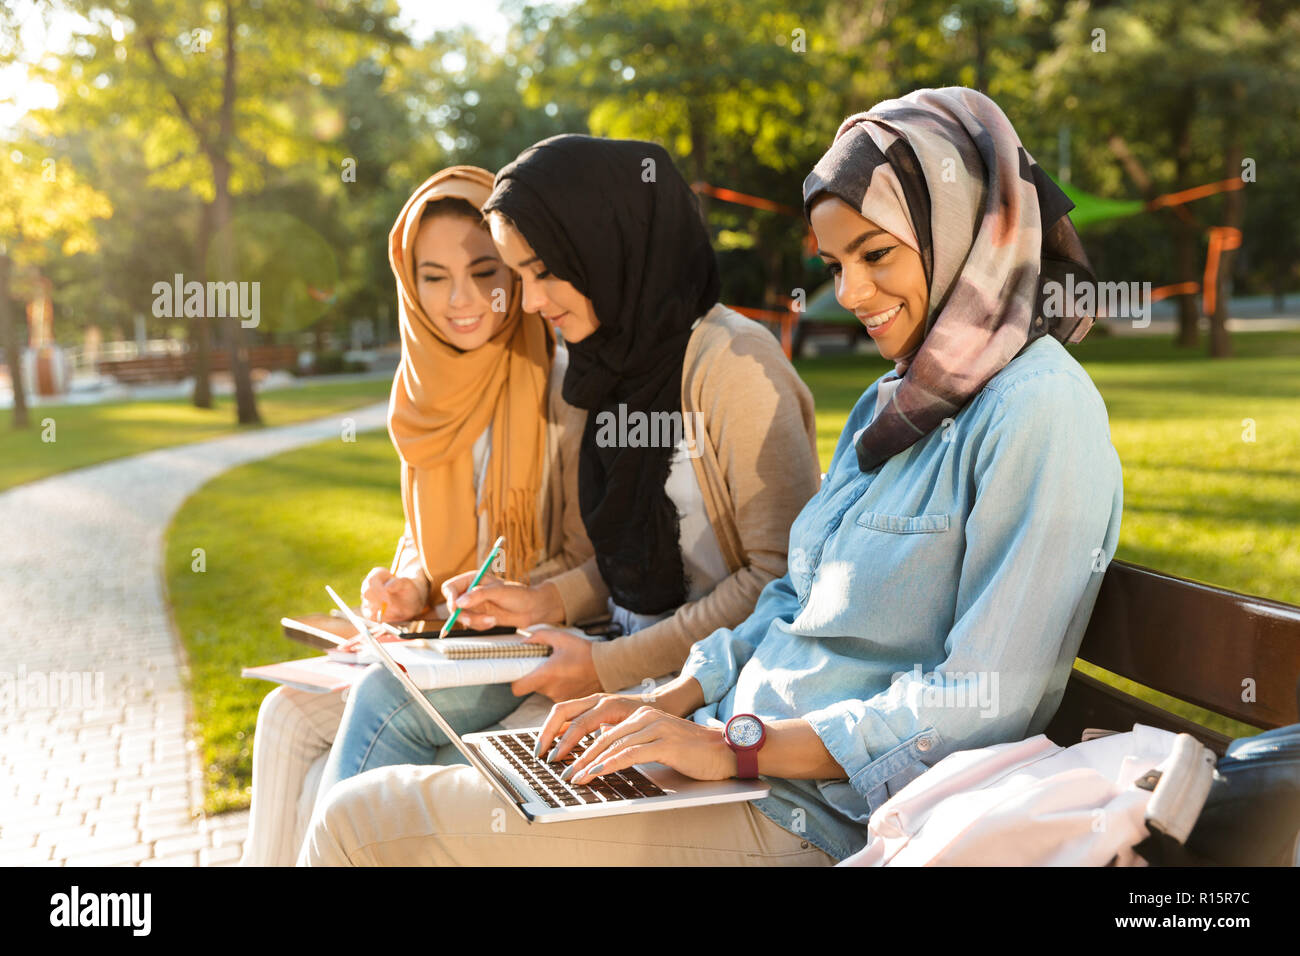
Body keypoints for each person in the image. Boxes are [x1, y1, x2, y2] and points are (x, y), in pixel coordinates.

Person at [301, 87, 1122, 867]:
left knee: (363, 823)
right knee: (420, 771)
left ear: (966, 233)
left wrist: (730, 745)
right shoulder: (895, 401)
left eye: (874, 255)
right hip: (727, 755)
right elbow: (789, 601)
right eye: (835, 264)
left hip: (808, 809)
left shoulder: (1038, 411)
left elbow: (984, 701)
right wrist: (667, 702)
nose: (852, 292)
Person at [310, 134, 822, 800]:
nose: (525, 303)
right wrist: (542, 600)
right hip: (627, 669)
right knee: (412, 774)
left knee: (423, 792)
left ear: (607, 247)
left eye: (542, 271)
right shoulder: (608, 364)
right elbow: (621, 565)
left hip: (709, 698)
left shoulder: (734, 366)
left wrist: (607, 666)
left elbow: (778, 582)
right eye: (518, 276)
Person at [238, 166, 592, 866]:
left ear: (515, 268)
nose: (460, 300)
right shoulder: (420, 390)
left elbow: (605, 556)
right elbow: (421, 537)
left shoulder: (563, 379)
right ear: (409, 283)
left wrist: (520, 596)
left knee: (381, 696)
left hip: (540, 636)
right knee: (282, 713)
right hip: (444, 636)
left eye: (484, 271)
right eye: (433, 276)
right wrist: (408, 583)